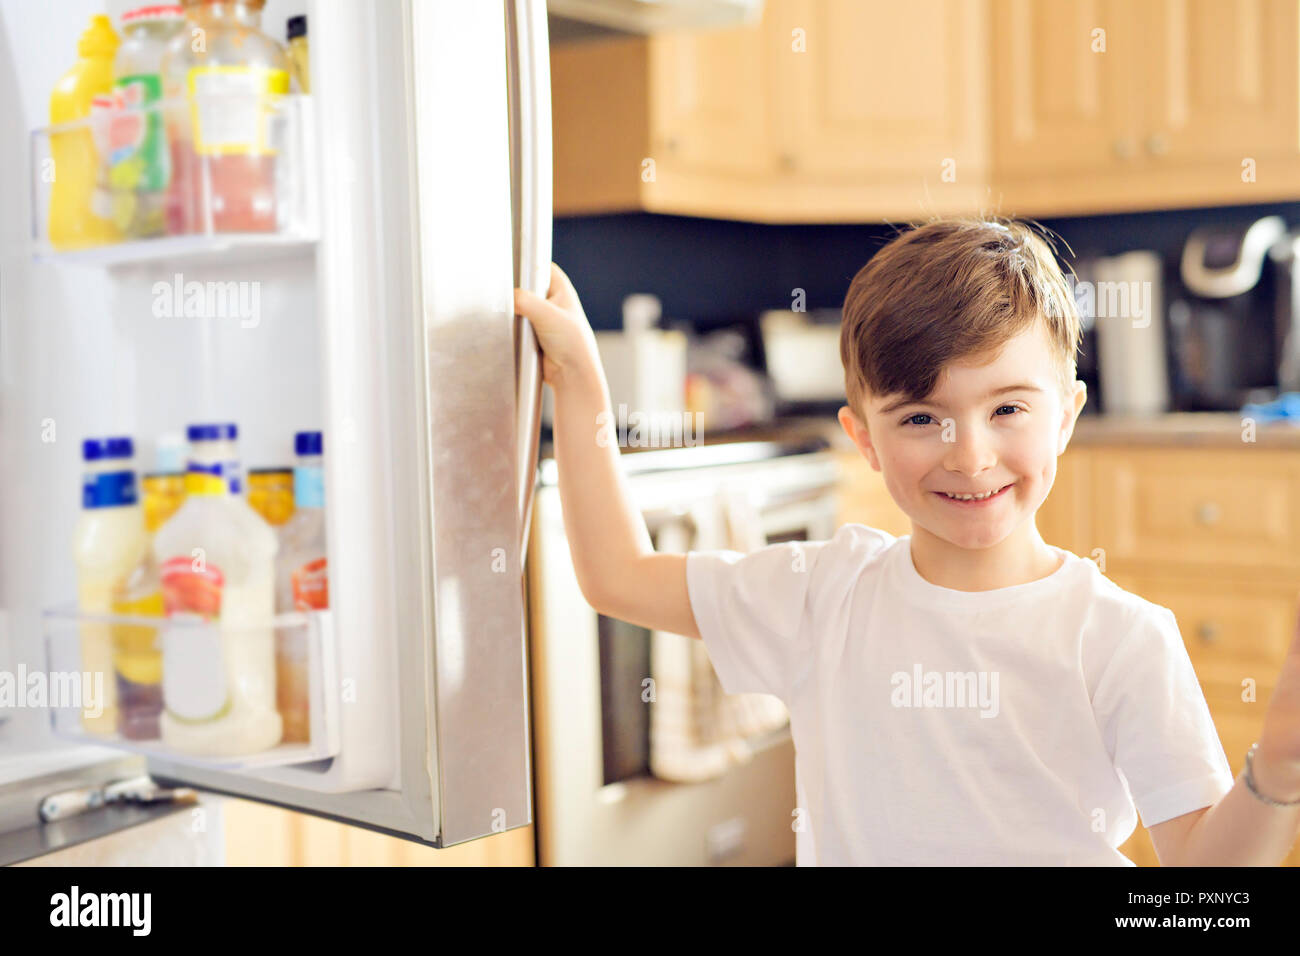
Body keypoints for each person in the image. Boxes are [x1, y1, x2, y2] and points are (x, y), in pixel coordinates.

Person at [513, 217, 1300, 865]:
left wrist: (1279, 770)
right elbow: (617, 574)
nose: (969, 454)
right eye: (922, 418)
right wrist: (582, 379)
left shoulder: (1123, 639)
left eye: (1009, 410)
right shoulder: (822, 595)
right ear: (864, 439)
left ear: (1067, 412)